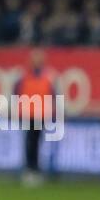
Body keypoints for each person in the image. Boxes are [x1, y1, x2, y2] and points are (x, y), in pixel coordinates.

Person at [16, 47, 60, 186]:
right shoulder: (24, 77)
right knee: (29, 143)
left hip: (41, 115)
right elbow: (17, 94)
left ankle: (34, 169)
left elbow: (52, 97)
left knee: (36, 143)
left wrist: (53, 113)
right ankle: (30, 169)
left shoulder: (48, 78)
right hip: (28, 115)